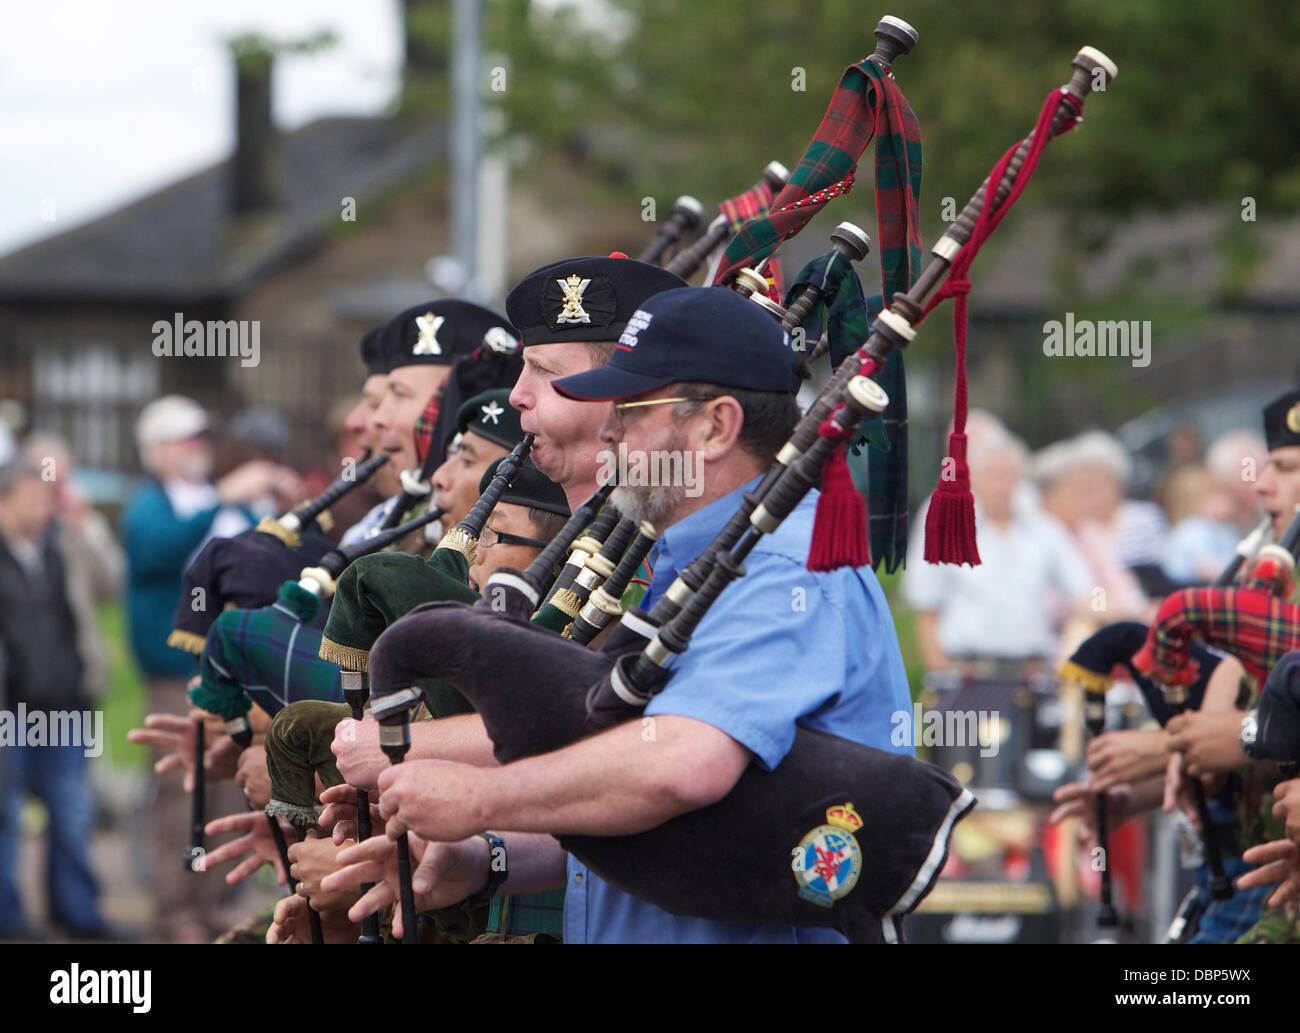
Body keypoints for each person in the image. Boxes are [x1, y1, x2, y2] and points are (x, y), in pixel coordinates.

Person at [323, 285, 913, 944]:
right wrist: (488, 858)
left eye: (631, 409)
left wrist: (479, 796)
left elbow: (678, 767)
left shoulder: (785, 569)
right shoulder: (696, 562)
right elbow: (644, 823)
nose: (608, 429)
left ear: (716, 425)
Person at [121, 394, 296, 943]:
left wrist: (286, 511)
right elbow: (153, 553)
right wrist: (223, 497)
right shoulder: (149, 505)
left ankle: (216, 898)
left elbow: (269, 559)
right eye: (184, 439)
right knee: (182, 789)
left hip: (230, 670)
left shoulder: (220, 502)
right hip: (175, 669)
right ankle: (177, 908)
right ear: (155, 451)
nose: (198, 448)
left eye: (201, 438)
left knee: (229, 786)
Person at [0, 462, 111, 939]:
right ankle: (9, 917)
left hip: (65, 706)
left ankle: (78, 912)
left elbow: (109, 586)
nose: (43, 511)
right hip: (10, 710)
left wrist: (83, 525)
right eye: (32, 501)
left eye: (48, 501)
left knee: (72, 811)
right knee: (5, 815)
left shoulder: (60, 547)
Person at [903, 418, 1093, 677]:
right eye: (992, 476)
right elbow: (926, 608)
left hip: (1032, 675)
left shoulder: (1045, 530)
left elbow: (1088, 591)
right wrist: (940, 673)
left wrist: (1093, 615)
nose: (1000, 486)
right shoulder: (944, 518)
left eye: (1007, 475)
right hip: (966, 673)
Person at [1161, 431, 1266, 585]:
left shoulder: (1272, 519)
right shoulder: (1197, 531)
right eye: (1248, 477)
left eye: (1262, 473)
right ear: (1221, 482)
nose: (1260, 484)